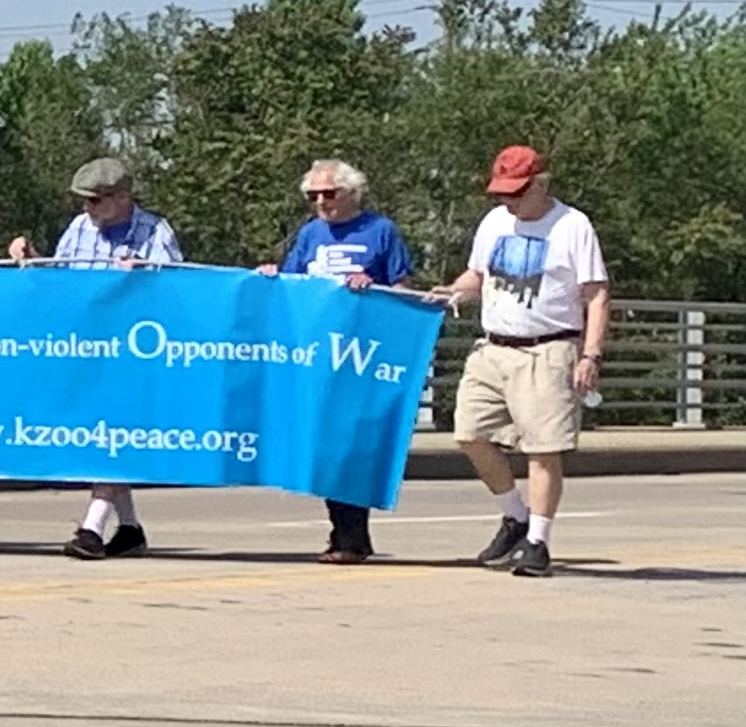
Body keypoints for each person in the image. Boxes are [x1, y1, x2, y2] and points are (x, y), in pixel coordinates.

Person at [438, 145, 608, 581]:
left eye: (516, 193)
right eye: (501, 194)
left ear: (540, 184)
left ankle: (538, 541)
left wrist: (590, 354)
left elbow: (596, 295)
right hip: (494, 346)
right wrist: (453, 291)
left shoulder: (572, 226)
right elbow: (477, 274)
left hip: (547, 347)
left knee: (542, 447)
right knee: (469, 433)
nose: (507, 202)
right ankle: (514, 516)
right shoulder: (495, 223)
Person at [9, 156, 182, 559]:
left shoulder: (154, 231)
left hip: (134, 350)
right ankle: (130, 529)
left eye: (95, 201)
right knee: (103, 433)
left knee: (113, 431)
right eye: (84, 202)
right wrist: (31, 256)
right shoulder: (79, 228)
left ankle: (91, 528)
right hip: (87, 347)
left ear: (121, 197)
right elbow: (63, 277)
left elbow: (178, 289)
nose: (88, 210)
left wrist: (144, 275)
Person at [259, 159, 426, 565]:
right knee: (325, 444)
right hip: (318, 354)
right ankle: (346, 533)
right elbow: (294, 284)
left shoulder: (380, 230)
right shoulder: (310, 234)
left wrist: (376, 287)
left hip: (362, 355)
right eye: (313, 196)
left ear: (352, 193)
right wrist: (272, 274)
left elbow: (403, 289)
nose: (321, 202)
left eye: (329, 194)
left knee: (351, 444)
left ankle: (351, 535)